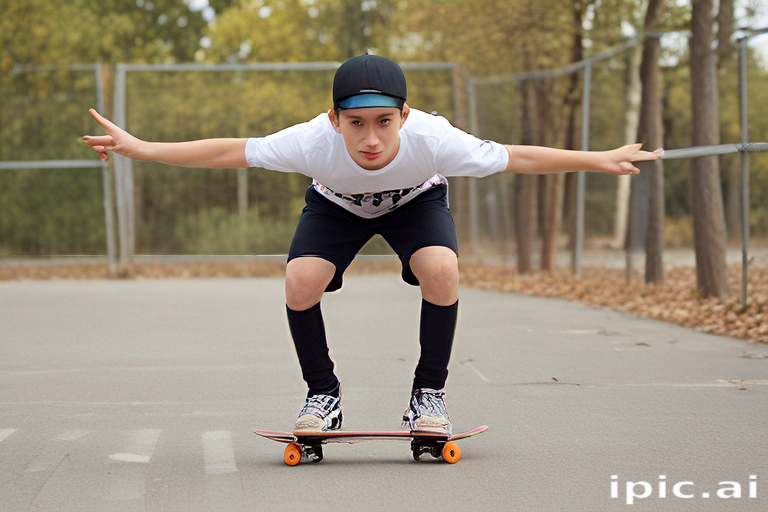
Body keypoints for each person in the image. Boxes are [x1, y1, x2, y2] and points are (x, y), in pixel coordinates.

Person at [84, 54, 662, 436]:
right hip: (335, 205)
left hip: (416, 202)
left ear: (405, 116)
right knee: (299, 281)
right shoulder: (312, 142)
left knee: (442, 269)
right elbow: (230, 150)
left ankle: (427, 397)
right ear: (334, 120)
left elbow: (519, 156)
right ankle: (323, 396)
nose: (371, 138)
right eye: (356, 124)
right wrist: (144, 148)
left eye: (385, 122)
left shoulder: (434, 139)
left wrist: (597, 159)